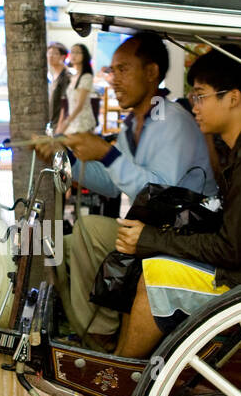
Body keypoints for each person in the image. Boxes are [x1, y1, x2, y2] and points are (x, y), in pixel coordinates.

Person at [111, 48, 241, 359]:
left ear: (233, 98)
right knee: (150, 261)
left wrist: (149, 238)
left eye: (200, 96)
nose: (194, 106)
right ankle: (121, 360)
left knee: (156, 274)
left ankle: (124, 370)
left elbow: (231, 249)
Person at [31, 30, 216, 347]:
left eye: (123, 69)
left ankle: (102, 336)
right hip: (153, 232)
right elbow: (112, 181)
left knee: (88, 230)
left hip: (182, 237)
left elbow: (158, 193)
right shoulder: (136, 124)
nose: (114, 79)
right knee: (70, 241)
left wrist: (106, 152)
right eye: (112, 70)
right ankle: (95, 331)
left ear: (151, 72)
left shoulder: (171, 120)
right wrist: (70, 160)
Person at [59, 43, 97, 134]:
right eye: (72, 52)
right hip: (73, 120)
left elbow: (79, 106)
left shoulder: (86, 77)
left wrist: (66, 123)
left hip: (82, 123)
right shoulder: (73, 76)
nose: (73, 55)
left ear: (84, 55)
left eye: (77, 52)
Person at [46, 41, 71, 130]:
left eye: (55, 54)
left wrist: (60, 125)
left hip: (60, 124)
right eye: (49, 53)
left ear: (63, 57)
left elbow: (66, 103)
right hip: (53, 121)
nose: (51, 56)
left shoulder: (66, 77)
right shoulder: (53, 75)